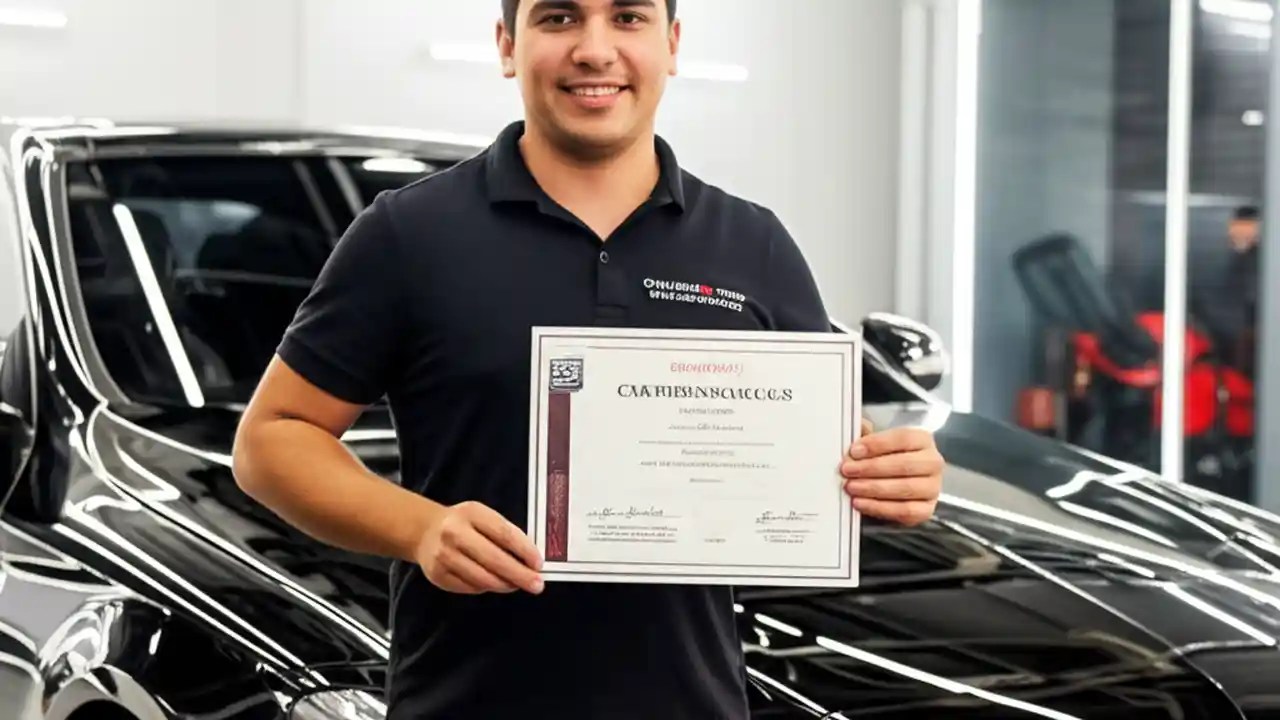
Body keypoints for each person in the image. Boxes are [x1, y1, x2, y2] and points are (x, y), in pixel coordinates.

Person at [231, 1, 945, 717]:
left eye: (628, 18)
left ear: (671, 44)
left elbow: (821, 461)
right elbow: (271, 441)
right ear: (508, 45)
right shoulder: (408, 235)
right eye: (560, 18)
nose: (594, 50)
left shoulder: (752, 246)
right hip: (468, 703)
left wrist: (892, 478)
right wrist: (418, 529)